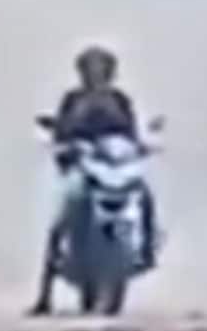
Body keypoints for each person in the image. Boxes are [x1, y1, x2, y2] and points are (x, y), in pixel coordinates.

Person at [30, 45, 161, 316]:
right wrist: (66, 147)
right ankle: (45, 293)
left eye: (103, 70)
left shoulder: (120, 100)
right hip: (85, 168)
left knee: (146, 196)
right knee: (62, 214)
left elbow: (132, 133)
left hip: (117, 167)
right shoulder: (72, 100)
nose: (97, 76)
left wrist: (142, 147)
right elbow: (60, 135)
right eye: (91, 70)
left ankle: (148, 248)